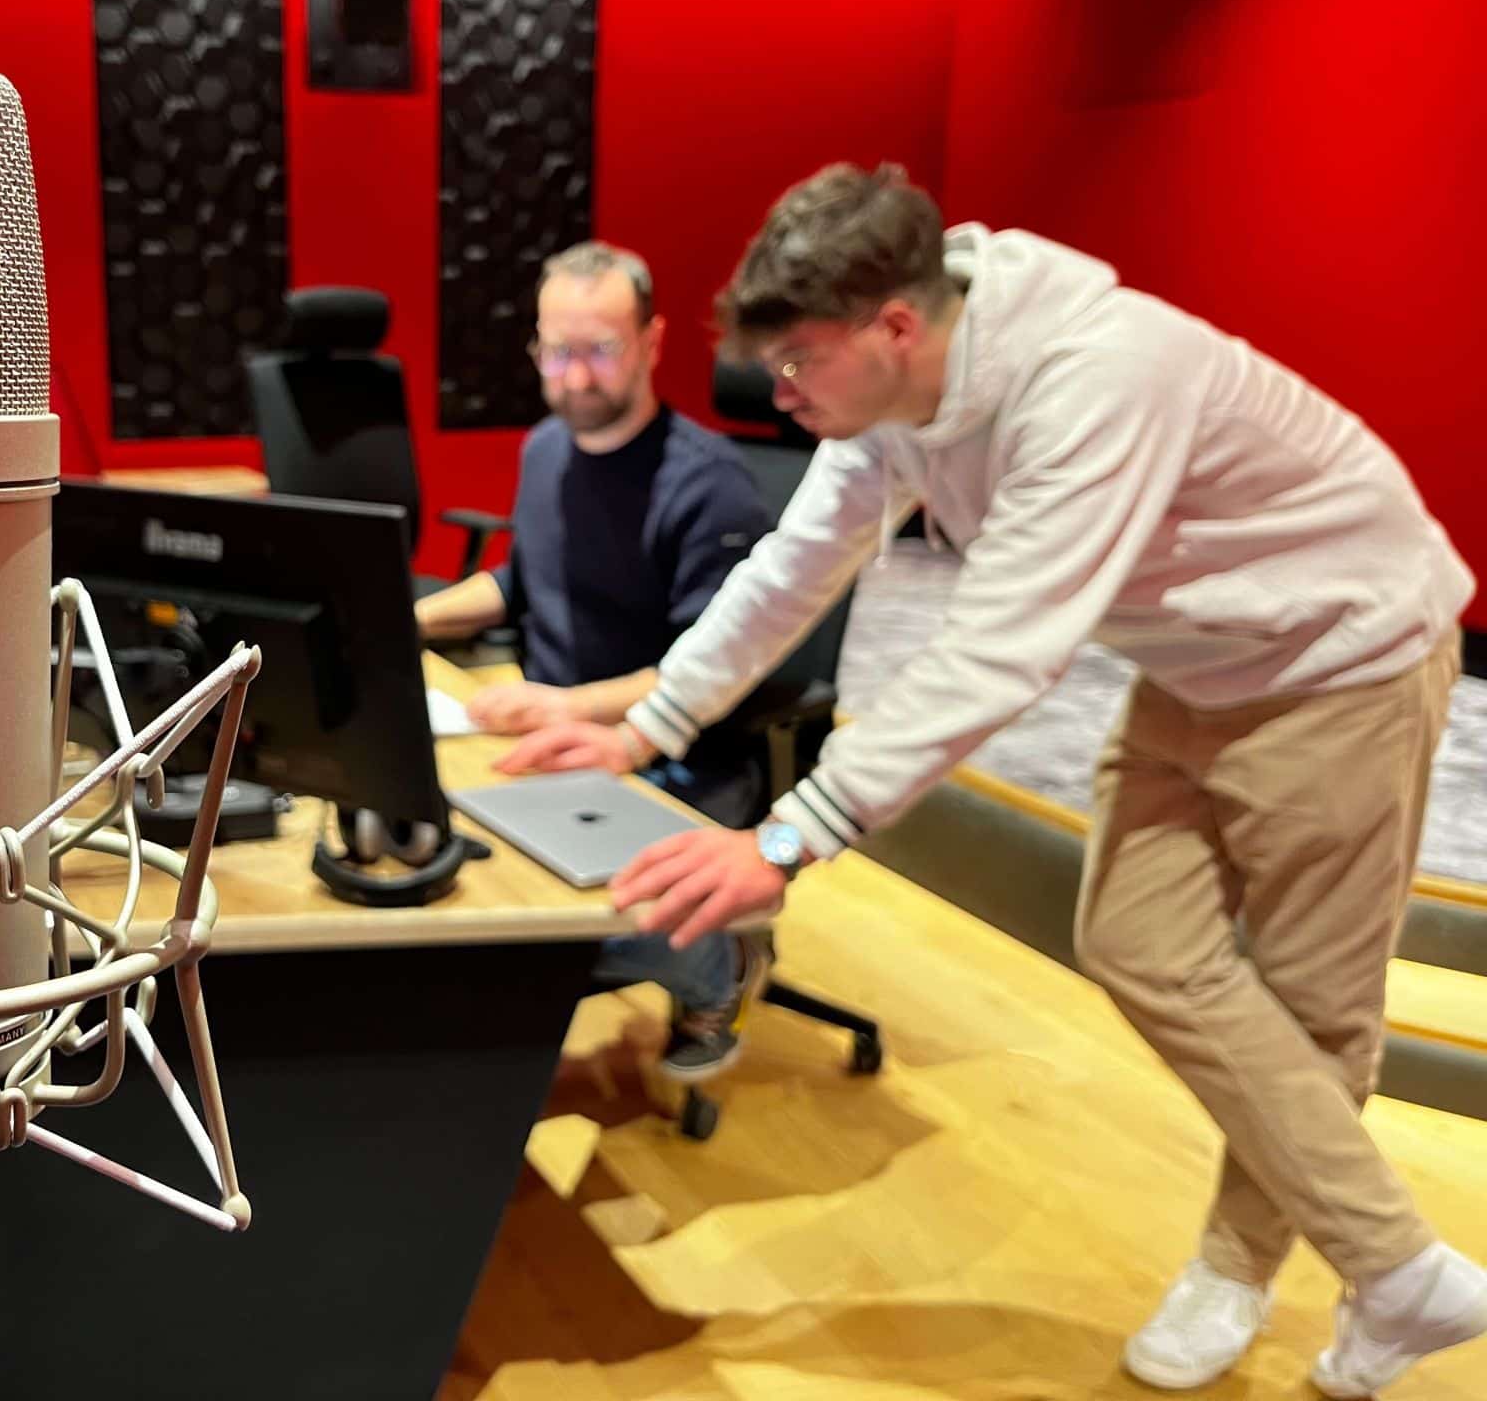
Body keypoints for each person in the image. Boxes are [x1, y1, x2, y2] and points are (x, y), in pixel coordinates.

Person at [498, 163, 1485, 1396]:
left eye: (797, 362)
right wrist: (647, 725)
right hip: (1190, 666)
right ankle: (1402, 1271)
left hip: (1342, 659)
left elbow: (997, 652)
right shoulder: (892, 398)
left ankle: (1268, 1271)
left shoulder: (1091, 380)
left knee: (1312, 1007)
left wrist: (786, 840)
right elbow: (796, 565)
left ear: (891, 326)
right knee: (1134, 943)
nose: (778, 391)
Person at [416, 240, 776, 1080]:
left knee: (567, 927)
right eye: (558, 352)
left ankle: (722, 965)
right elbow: (525, 580)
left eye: (601, 351)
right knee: (440, 880)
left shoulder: (711, 485)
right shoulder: (546, 450)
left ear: (652, 342)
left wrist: (566, 705)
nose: (576, 378)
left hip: (680, 758)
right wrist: (411, 619)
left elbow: (712, 669)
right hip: (557, 738)